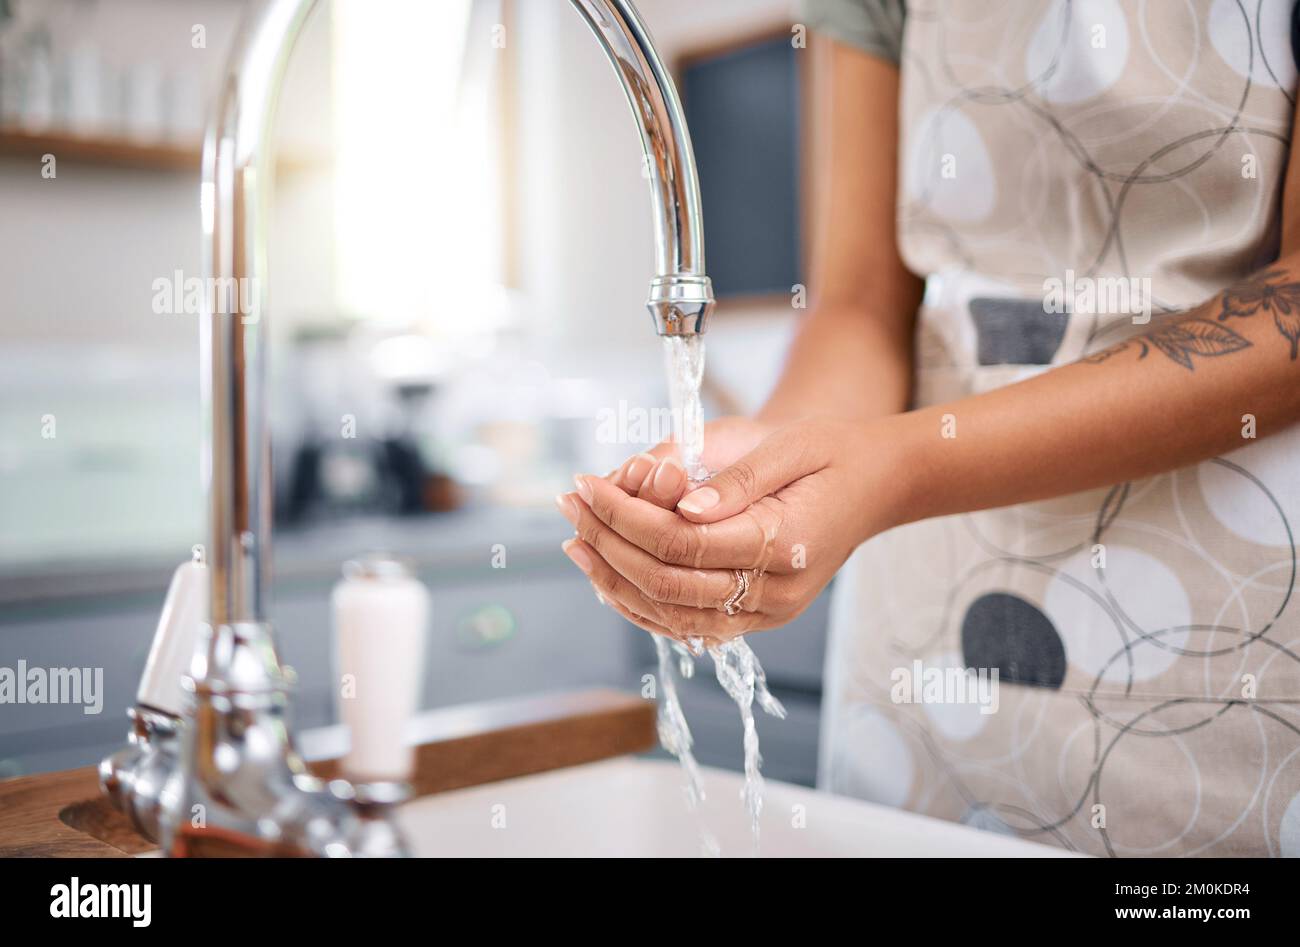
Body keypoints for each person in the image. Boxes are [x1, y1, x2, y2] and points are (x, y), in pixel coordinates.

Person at [553, 0, 1300, 856]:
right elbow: (864, 303)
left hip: (1225, 616)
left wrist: (896, 468)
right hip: (928, 628)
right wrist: (771, 461)